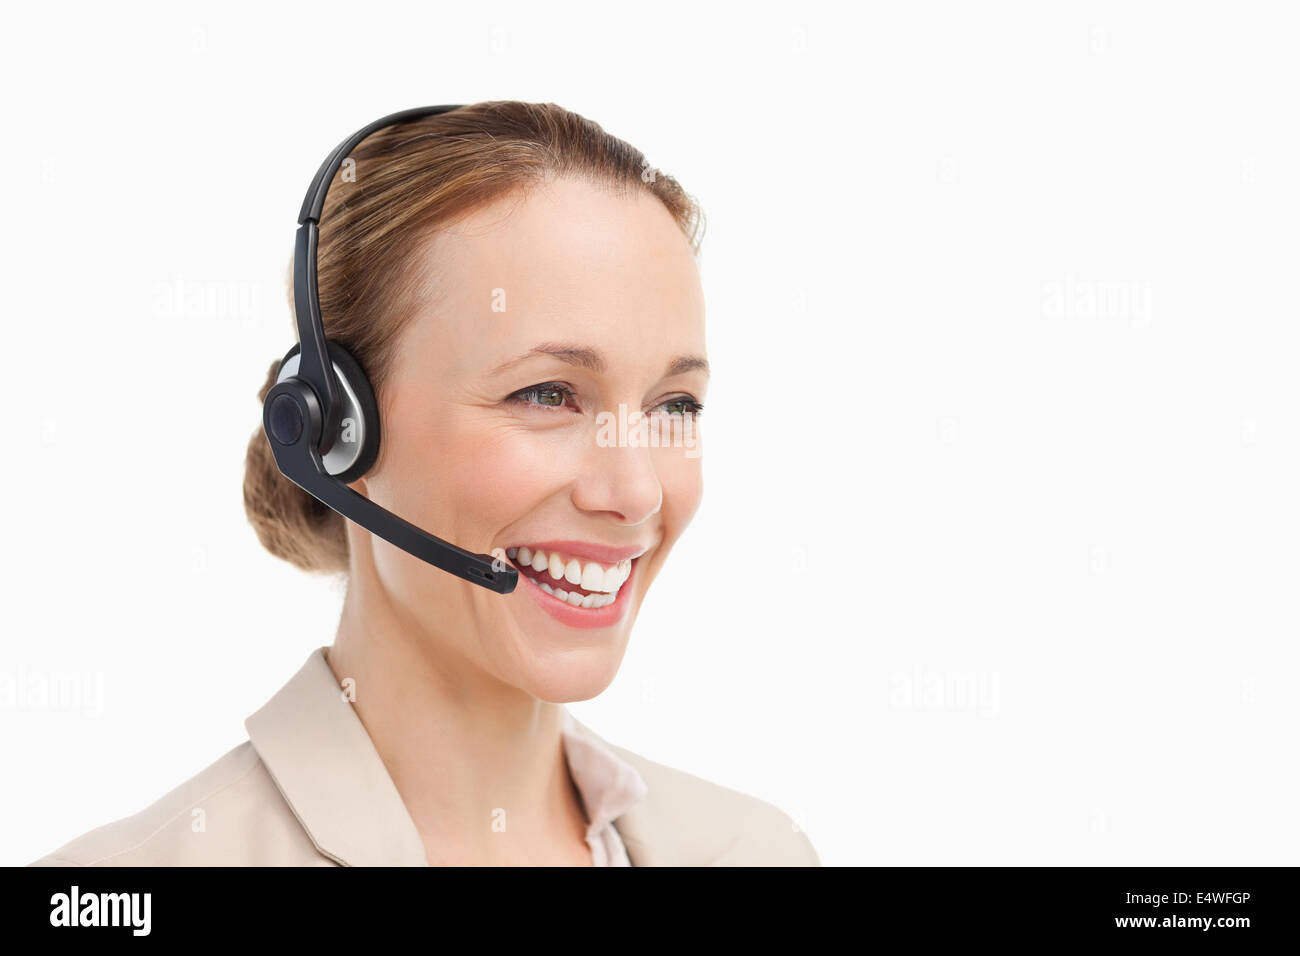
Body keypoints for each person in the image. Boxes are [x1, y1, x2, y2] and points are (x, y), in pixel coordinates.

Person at [30, 101, 819, 867]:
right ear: (341, 429)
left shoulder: (759, 853)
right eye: (547, 394)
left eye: (673, 405)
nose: (637, 490)